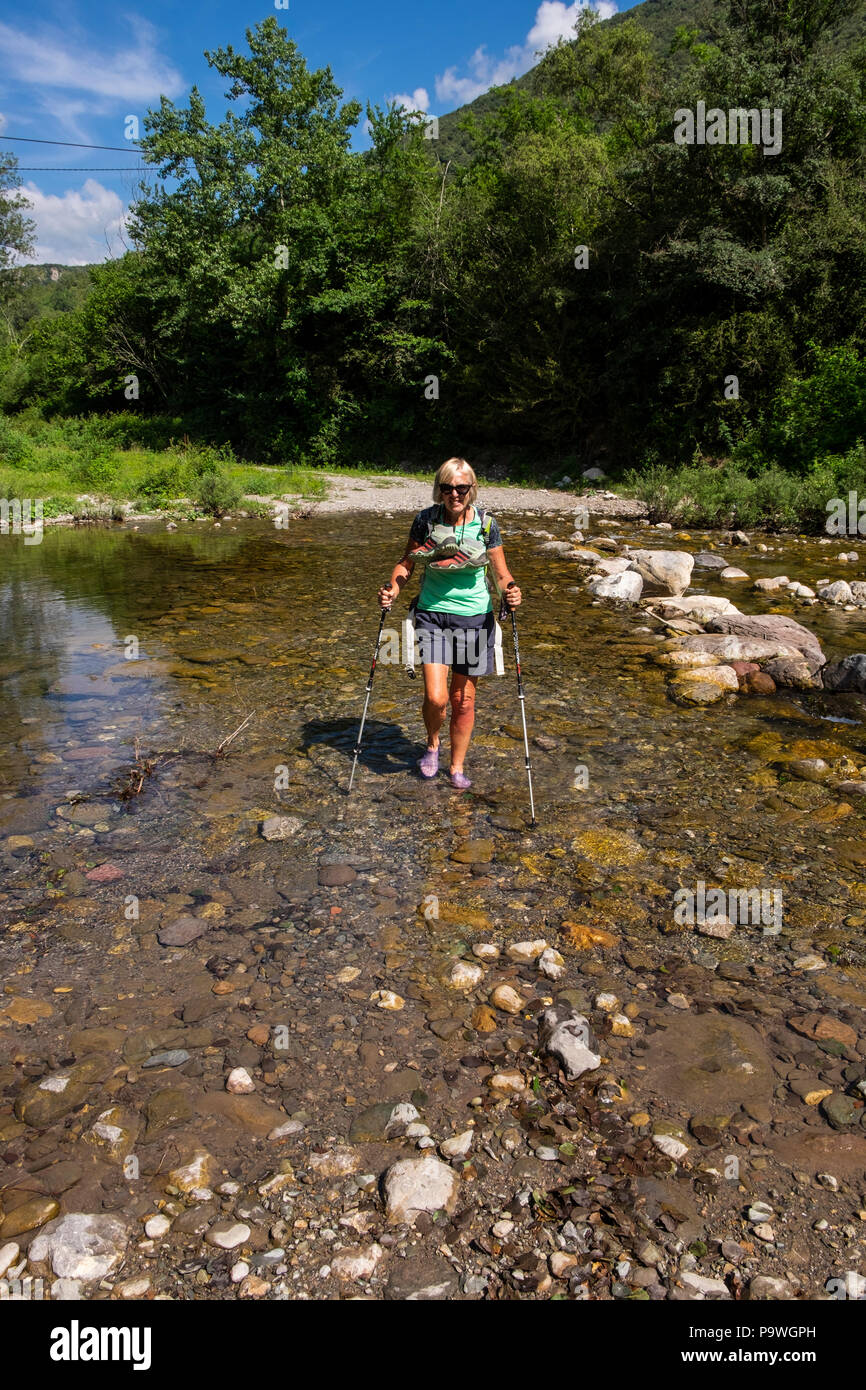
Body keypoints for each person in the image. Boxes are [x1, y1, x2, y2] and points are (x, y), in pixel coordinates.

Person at [378, 458, 522, 789]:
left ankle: (456, 767)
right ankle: (432, 744)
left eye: (461, 488)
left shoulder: (486, 524)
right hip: (432, 614)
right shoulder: (425, 521)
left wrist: (512, 593)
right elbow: (407, 564)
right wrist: (392, 590)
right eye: (447, 488)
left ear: (472, 489)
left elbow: (502, 575)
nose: (454, 494)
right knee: (437, 698)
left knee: (464, 700)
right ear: (439, 490)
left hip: (475, 618)